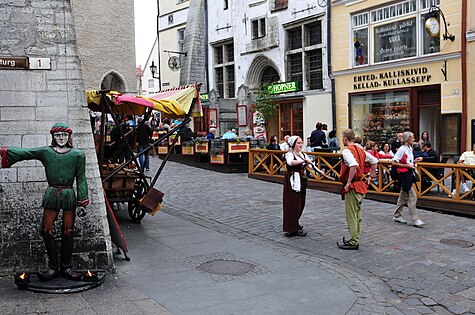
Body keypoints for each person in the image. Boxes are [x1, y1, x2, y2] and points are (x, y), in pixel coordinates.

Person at [0, 123, 89, 281]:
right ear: (53, 137)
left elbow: (81, 178)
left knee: (68, 232)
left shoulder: (78, 155)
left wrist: (82, 200)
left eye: (64, 135)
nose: (61, 138)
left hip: (69, 194)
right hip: (52, 193)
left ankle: (66, 267)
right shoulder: (46, 152)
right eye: (57, 135)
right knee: (46, 229)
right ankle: (53, 267)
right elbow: (26, 152)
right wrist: (6, 152)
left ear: (69, 136)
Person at [337, 129, 377, 250]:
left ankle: (354, 241)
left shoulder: (347, 151)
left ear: (345, 138)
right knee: (357, 214)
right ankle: (355, 237)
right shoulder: (361, 150)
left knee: (351, 215)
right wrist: (371, 176)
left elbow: (353, 165)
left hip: (353, 185)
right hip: (360, 185)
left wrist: (348, 182)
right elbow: (375, 161)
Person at [392, 131, 425, 227]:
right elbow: (394, 162)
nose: (414, 139)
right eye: (412, 138)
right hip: (404, 174)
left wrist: (414, 161)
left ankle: (397, 215)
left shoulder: (410, 149)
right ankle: (415, 219)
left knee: (403, 195)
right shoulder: (402, 149)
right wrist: (407, 165)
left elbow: (408, 161)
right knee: (413, 196)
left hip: (408, 174)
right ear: (407, 139)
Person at [283, 136, 312, 237]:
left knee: (301, 202)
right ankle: (291, 227)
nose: (300, 145)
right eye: (298, 143)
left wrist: (308, 163)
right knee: (292, 203)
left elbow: (309, 164)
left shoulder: (303, 154)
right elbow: (290, 162)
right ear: (293, 144)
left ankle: (296, 223)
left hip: (301, 180)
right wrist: (303, 161)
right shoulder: (289, 154)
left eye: (301, 143)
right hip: (292, 180)